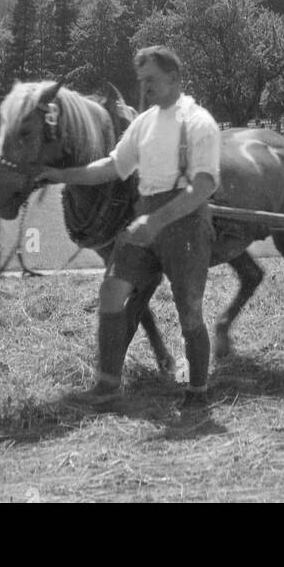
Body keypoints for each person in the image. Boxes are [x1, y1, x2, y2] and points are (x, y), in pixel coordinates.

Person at [37, 45, 221, 410]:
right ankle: (107, 387)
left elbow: (203, 186)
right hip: (145, 222)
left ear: (174, 78)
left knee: (190, 313)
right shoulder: (144, 123)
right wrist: (60, 175)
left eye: (151, 80)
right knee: (111, 291)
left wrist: (156, 221)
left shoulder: (198, 122)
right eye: (141, 81)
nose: (144, 88)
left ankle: (197, 392)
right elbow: (111, 166)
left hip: (184, 224)